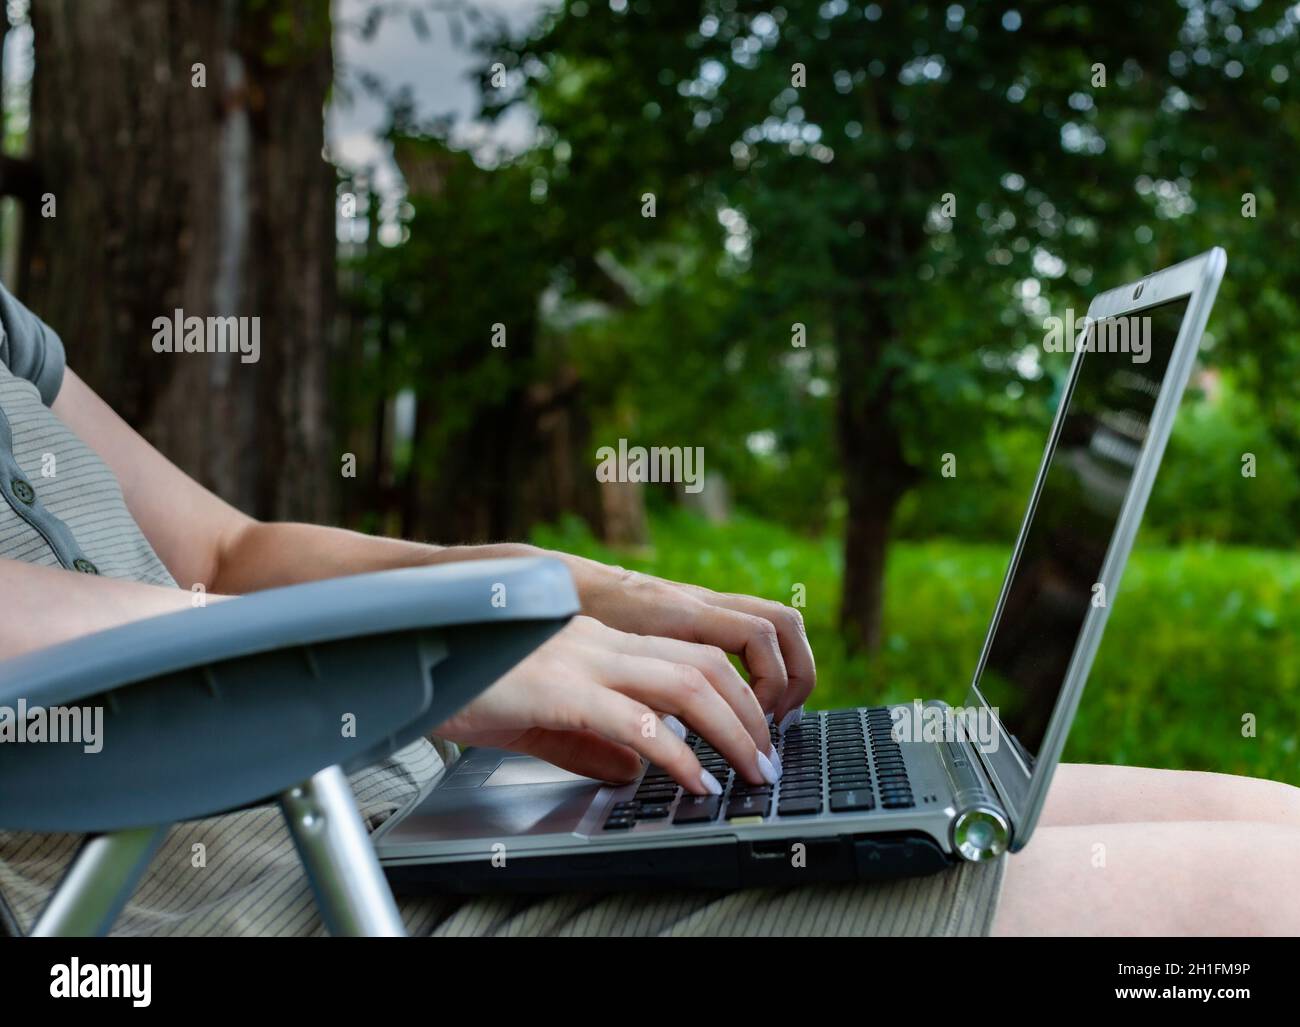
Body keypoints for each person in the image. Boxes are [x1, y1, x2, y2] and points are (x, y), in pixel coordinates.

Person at [0, 284, 1296, 937]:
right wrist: (423, 658)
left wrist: (571, 592)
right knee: (1263, 894)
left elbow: (227, 550)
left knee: (1269, 819)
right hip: (303, 897)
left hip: (408, 814)